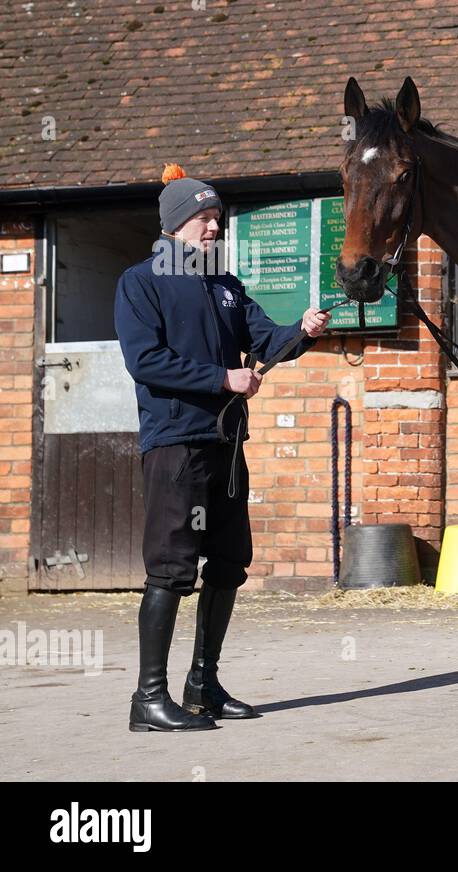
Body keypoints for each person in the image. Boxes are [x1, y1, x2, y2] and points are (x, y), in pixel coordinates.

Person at [114, 164, 330, 732]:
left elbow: (265, 339)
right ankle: (148, 700)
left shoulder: (226, 286)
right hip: (176, 444)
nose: (213, 228)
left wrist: (301, 332)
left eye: (217, 219)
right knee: (171, 570)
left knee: (229, 564)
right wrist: (222, 380)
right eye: (203, 219)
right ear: (175, 224)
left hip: (227, 446)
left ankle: (203, 684)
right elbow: (145, 361)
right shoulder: (141, 282)